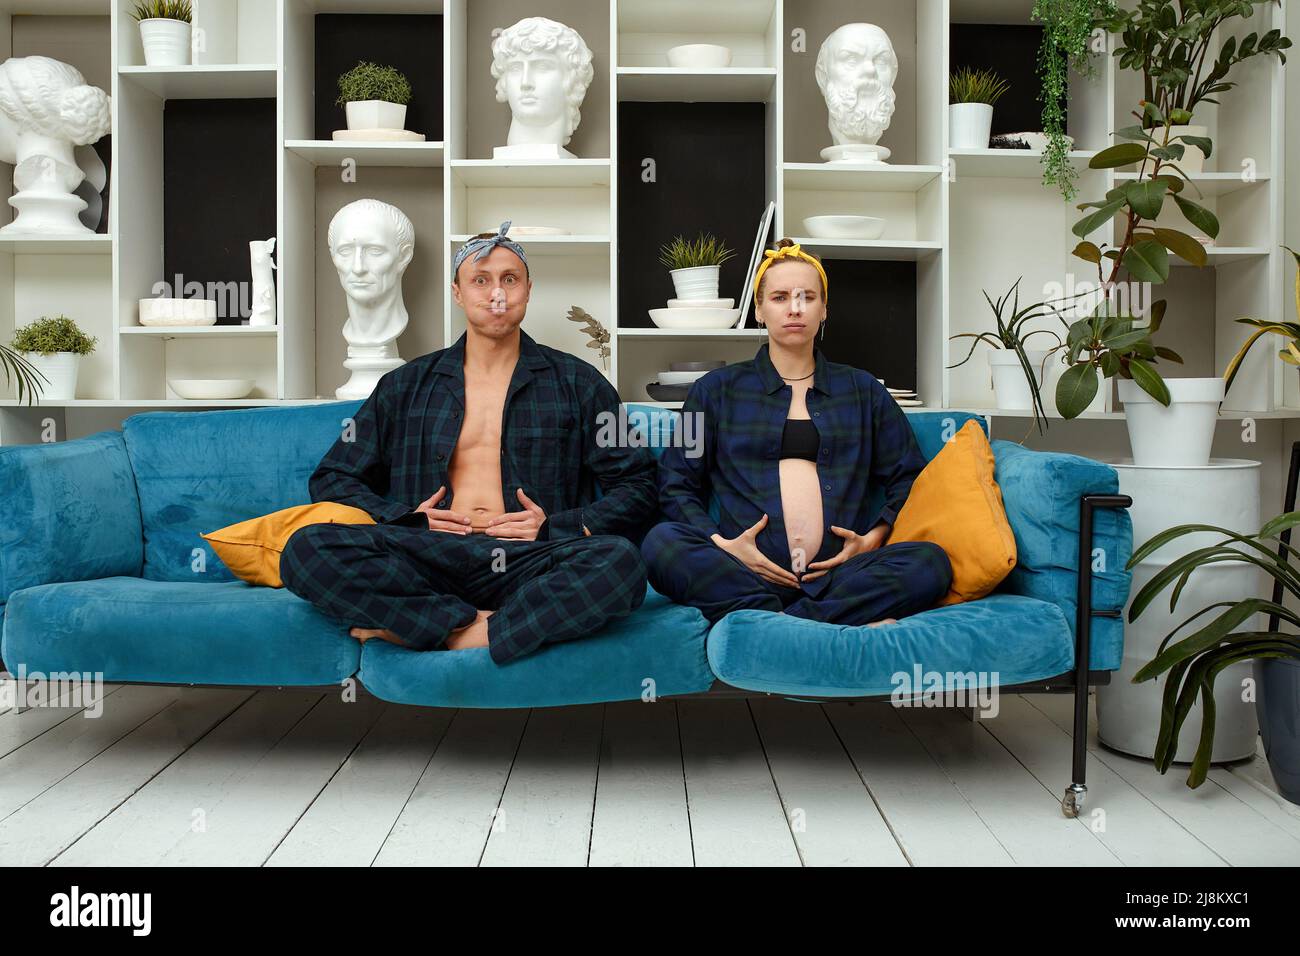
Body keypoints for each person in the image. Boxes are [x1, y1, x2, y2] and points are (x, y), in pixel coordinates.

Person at [281, 222, 657, 664]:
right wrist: (406, 519)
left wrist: (558, 527)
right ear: (458, 293)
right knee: (306, 550)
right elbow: (333, 478)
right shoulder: (404, 386)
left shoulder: (580, 383)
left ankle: (442, 631)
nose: (496, 294)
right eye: (480, 280)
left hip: (529, 558)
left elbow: (638, 484)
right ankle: (485, 626)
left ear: (528, 290)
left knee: (620, 562)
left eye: (509, 279)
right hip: (425, 559)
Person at [641, 239, 952, 626]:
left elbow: (909, 475)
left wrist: (873, 538)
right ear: (759, 310)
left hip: (841, 575)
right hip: (745, 571)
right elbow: (675, 483)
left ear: (824, 310)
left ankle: (777, 623)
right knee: (661, 544)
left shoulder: (864, 390)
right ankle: (820, 623)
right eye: (780, 297)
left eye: (808, 297)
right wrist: (725, 545)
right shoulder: (715, 390)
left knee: (930, 563)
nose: (795, 308)